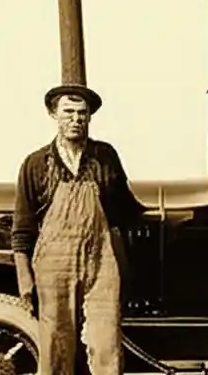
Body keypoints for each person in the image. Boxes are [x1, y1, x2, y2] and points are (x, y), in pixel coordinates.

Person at [11, 84, 146, 375]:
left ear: (89, 117)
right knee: (56, 345)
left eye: (82, 113)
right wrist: (25, 281)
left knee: (106, 343)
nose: (76, 119)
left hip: (100, 264)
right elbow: (21, 231)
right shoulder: (35, 165)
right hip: (53, 267)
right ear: (53, 115)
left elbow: (123, 214)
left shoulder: (105, 157)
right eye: (68, 112)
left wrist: (126, 266)